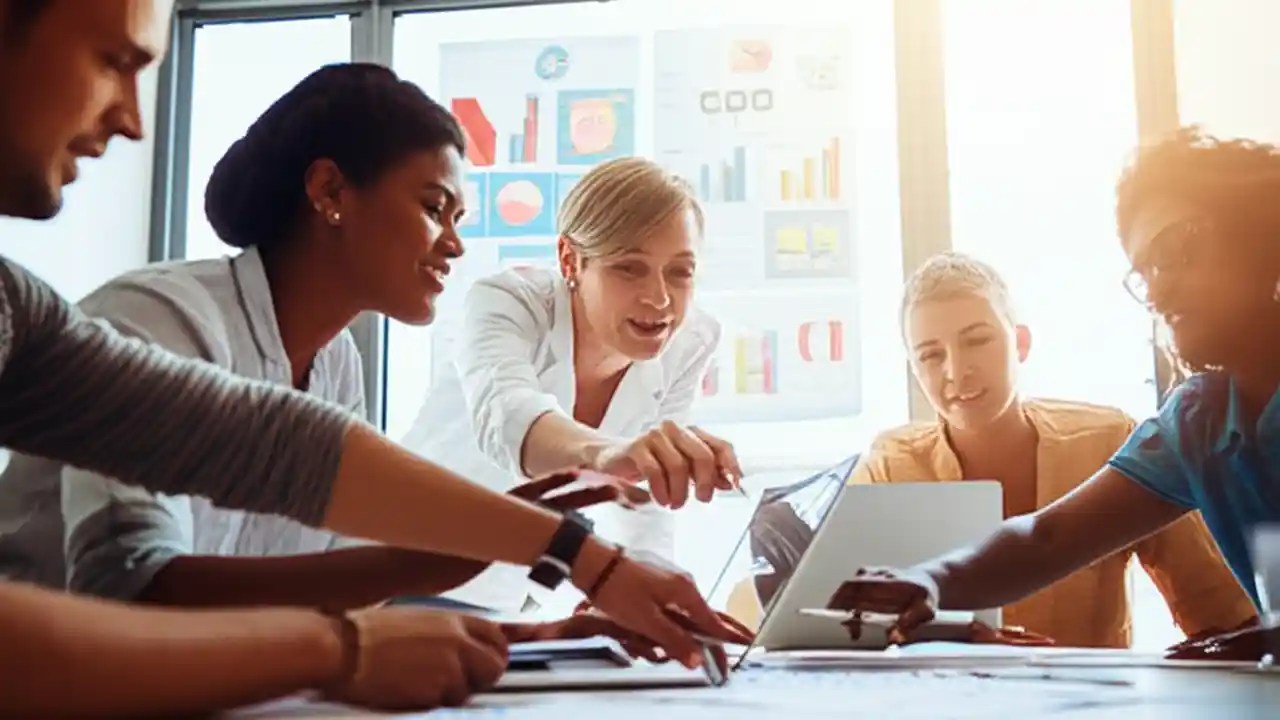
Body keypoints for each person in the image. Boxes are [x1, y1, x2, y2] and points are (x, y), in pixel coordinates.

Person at [0, 1, 744, 715]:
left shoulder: (333, 365)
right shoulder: (158, 318)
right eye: (432, 208)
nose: (453, 243)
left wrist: (539, 622)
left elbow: (289, 463)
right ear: (330, 192)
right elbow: (139, 591)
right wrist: (551, 550)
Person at [826, 128, 1280, 660]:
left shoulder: (1112, 432)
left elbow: (1212, 605)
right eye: (1145, 272)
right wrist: (926, 582)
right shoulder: (1197, 423)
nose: (1157, 291)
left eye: (1176, 250)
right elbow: (1047, 540)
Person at [843, 251, 1254, 648]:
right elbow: (848, 619)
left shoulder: (1109, 440)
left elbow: (1218, 612)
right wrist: (950, 639)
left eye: (978, 340)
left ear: (1020, 343)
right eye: (931, 355)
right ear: (913, 368)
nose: (956, 371)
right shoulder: (890, 466)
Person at [402, 156, 742, 612]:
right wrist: (610, 456)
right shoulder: (507, 302)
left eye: (680, 272)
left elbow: (648, 507)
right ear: (570, 259)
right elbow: (507, 420)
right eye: (629, 267)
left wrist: (656, 603)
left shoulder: (691, 339)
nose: (660, 298)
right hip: (406, 575)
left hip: (516, 598)